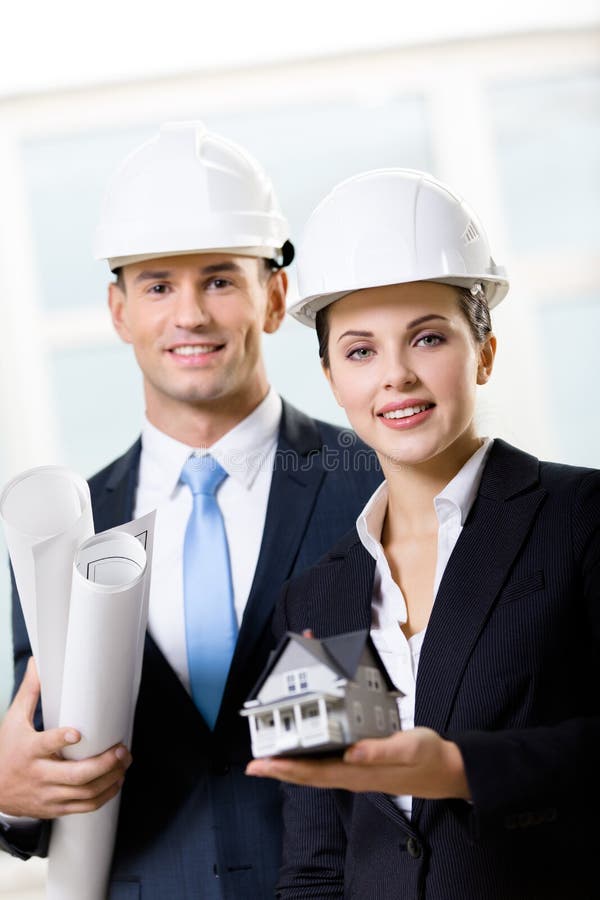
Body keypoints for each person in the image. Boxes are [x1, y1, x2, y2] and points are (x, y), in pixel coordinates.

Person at [0, 122, 381, 899]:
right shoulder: (66, 527)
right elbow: (39, 756)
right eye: (157, 286)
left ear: (275, 297)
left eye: (219, 281)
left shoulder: (374, 481)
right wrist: (10, 796)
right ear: (118, 310)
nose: (190, 316)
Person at [246, 169, 600, 899]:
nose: (397, 376)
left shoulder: (581, 518)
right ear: (330, 377)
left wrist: (458, 770)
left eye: (428, 338)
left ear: (485, 352)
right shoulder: (316, 602)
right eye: (361, 351)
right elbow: (316, 864)